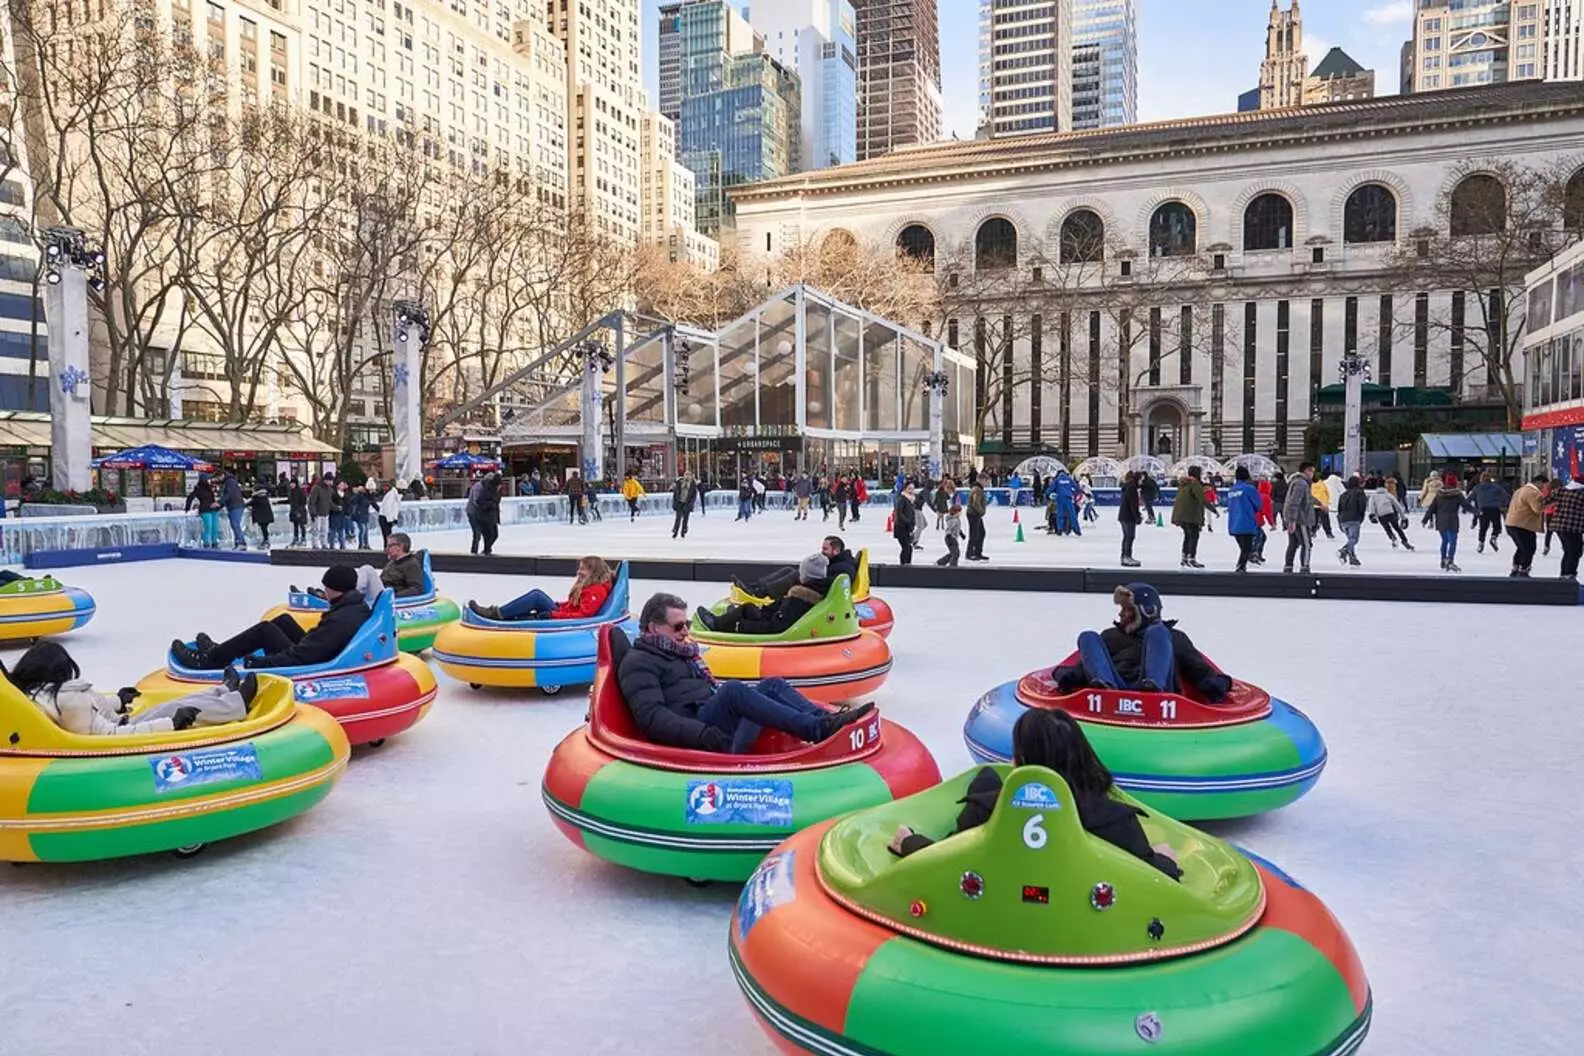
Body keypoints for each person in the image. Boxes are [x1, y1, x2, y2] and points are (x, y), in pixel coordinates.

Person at [887, 708, 1181, 880]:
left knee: (985, 780)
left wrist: (910, 843)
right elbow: (1153, 877)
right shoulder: (1116, 821)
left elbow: (947, 862)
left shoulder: (987, 810)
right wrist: (1163, 860)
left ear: (1021, 757)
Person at [617, 593, 872, 754]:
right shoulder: (639, 662)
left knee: (772, 685)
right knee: (733, 690)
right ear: (653, 627)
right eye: (678, 625)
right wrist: (702, 734)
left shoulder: (679, 653)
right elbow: (652, 718)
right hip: (699, 735)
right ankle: (817, 730)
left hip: (710, 721)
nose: (685, 631)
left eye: (688, 624)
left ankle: (824, 721)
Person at [8, 641, 256, 737]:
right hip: (123, 734)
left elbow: (92, 710)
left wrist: (117, 700)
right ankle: (236, 704)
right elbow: (109, 737)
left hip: (119, 721)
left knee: (170, 705)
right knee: (176, 710)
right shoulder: (68, 699)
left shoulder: (44, 693)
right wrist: (170, 724)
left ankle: (224, 691)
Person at [1052, 583, 1230, 701]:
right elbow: (1085, 665)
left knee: (1157, 632)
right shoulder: (1110, 636)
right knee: (1088, 636)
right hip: (1114, 692)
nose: (1121, 614)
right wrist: (1066, 676)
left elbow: (1200, 670)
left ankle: (1153, 685)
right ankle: (1103, 686)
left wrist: (1217, 684)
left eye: (1127, 610)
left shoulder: (1172, 638)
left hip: (1157, 698)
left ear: (1146, 611)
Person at [172, 565, 370, 671]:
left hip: (312, 664)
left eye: (326, 587)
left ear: (336, 589)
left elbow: (301, 657)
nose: (324, 591)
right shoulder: (353, 606)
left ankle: (209, 660)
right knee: (284, 620)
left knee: (265, 630)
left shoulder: (340, 619)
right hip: (321, 652)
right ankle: (221, 651)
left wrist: (256, 663)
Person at [698, 555, 827, 635]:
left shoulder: (798, 599)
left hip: (769, 627)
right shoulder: (804, 593)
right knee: (748, 608)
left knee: (746, 610)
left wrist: (742, 626)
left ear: (806, 576)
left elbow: (776, 627)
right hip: (770, 617)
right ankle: (722, 621)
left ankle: (718, 625)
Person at [469, 555, 614, 622]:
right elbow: (574, 607)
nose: (579, 572)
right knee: (535, 603)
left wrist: (553, 615)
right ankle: (502, 617)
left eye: (583, 570)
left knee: (536, 596)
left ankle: (495, 613)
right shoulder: (590, 586)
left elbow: (583, 616)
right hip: (562, 614)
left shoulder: (597, 591)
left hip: (565, 621)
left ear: (594, 572)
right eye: (579, 568)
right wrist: (559, 605)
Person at [1505, 473, 1548, 577]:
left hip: (1512, 523)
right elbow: (1537, 509)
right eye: (1545, 485)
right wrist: (1550, 503)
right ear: (1539, 482)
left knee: (1521, 547)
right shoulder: (1532, 493)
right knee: (1529, 548)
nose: (1545, 488)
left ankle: (1515, 568)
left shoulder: (1521, 490)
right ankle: (1523, 570)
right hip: (1523, 524)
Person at [1432, 472, 1476, 572]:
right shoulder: (1457, 494)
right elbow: (1466, 505)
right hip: (1452, 520)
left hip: (1441, 520)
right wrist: (1477, 512)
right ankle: (1450, 560)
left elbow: (1433, 507)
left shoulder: (1439, 494)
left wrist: (1425, 519)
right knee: (1452, 541)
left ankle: (1443, 560)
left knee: (1444, 541)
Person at [1282, 461, 1318, 574]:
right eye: (1311, 471)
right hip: (1300, 519)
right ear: (1306, 470)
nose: (1313, 474)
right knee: (1306, 544)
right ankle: (1305, 567)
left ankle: (1288, 566)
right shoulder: (1301, 483)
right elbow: (1294, 502)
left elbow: (1306, 498)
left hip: (1294, 517)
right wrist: (1292, 520)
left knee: (1293, 543)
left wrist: (1319, 503)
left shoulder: (1298, 482)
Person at [1226, 466, 1262, 573]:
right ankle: (1240, 567)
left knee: (1244, 548)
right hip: (1247, 522)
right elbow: (1258, 505)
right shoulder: (1249, 489)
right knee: (1247, 548)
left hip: (1234, 523)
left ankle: (1241, 566)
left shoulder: (1232, 490)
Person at [1171, 466, 1207, 569]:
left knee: (1187, 536)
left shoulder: (1183, 484)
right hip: (1191, 515)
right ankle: (1192, 558)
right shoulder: (1195, 484)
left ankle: (1184, 557)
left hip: (1181, 515)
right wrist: (1213, 509)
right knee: (1194, 536)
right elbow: (1201, 500)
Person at [1552, 474, 1584, 580]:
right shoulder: (1581, 494)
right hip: (1573, 526)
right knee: (1575, 551)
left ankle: (1564, 573)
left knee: (1568, 551)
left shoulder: (1561, 490)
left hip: (1558, 525)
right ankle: (1569, 574)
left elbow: (1546, 501)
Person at [1471, 471, 1511, 554]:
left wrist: (1470, 508)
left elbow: (1470, 498)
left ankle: (1481, 543)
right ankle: (1494, 537)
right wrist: (1505, 504)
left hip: (1483, 509)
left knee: (1483, 528)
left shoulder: (1477, 487)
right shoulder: (1497, 487)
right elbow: (1506, 496)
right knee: (1497, 526)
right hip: (1495, 509)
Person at [1367, 480, 1413, 550]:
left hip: (1381, 515)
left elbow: (1371, 506)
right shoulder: (1388, 495)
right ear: (1384, 486)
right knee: (1397, 528)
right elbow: (1397, 505)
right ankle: (1405, 541)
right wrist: (1403, 517)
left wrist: (1372, 515)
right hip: (1390, 513)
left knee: (1387, 529)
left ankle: (1392, 538)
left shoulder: (1373, 496)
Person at [1335, 475, 1368, 567]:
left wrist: (1340, 520)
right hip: (1354, 518)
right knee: (1354, 539)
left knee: (1350, 540)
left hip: (1343, 520)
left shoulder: (1343, 495)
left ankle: (1353, 559)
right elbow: (1362, 506)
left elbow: (1339, 509)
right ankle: (1343, 551)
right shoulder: (1360, 493)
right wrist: (1361, 517)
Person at [468, 471, 501, 555]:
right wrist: (488, 507)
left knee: (490, 534)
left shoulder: (491, 489)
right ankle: (474, 553)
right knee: (477, 534)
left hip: (483, 514)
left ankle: (486, 549)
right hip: (473, 513)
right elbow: (476, 502)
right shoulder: (478, 487)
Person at [186, 473, 222, 549]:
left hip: (213, 509)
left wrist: (218, 504)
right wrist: (187, 508)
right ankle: (206, 543)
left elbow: (213, 498)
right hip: (205, 509)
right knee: (208, 527)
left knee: (215, 527)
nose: (209, 480)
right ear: (204, 480)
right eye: (208, 479)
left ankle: (214, 543)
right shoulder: (198, 489)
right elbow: (190, 497)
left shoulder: (210, 487)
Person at [1118, 470, 1142, 568]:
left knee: (1127, 537)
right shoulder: (1132, 488)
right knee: (1130, 537)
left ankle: (1125, 555)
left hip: (1124, 515)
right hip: (1128, 516)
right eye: (1141, 479)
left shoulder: (1129, 486)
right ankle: (1127, 556)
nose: (1142, 482)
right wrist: (1137, 517)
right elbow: (1133, 504)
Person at [307, 472, 335, 549]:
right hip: (317, 514)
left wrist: (336, 508)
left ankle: (324, 543)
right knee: (316, 530)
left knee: (325, 530)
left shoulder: (329, 490)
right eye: (329, 480)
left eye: (331, 480)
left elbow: (329, 502)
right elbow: (311, 502)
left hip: (325, 513)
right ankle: (315, 544)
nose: (330, 482)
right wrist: (312, 512)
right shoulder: (317, 488)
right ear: (324, 480)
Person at [221, 470, 247, 550]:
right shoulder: (229, 482)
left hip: (236, 505)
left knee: (235, 524)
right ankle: (238, 542)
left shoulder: (230, 482)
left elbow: (229, 494)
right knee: (234, 525)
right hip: (234, 505)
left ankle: (241, 542)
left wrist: (219, 503)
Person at [893, 483, 918, 565]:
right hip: (901, 527)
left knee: (909, 548)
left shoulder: (911, 500)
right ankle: (903, 565)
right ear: (905, 489)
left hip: (908, 528)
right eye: (909, 488)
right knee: (906, 547)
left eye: (912, 488)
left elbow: (911, 514)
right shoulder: (902, 499)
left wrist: (912, 524)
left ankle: (907, 564)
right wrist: (908, 522)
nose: (911, 490)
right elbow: (899, 513)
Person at [1051, 470, 1080, 536]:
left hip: (1060, 498)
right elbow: (1077, 488)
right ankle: (1076, 529)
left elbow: (1051, 488)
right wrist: (1074, 493)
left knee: (1060, 514)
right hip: (1068, 498)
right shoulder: (1069, 479)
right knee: (1072, 514)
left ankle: (1059, 529)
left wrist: (1047, 494)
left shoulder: (1057, 480)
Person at [966, 475, 988, 561]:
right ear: (981, 480)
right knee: (974, 534)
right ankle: (970, 553)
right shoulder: (977, 490)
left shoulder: (978, 489)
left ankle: (977, 552)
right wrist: (981, 511)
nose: (987, 483)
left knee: (981, 533)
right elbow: (976, 503)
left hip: (975, 514)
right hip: (974, 514)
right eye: (986, 481)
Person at [937, 502, 966, 566]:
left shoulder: (956, 519)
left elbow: (957, 528)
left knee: (954, 553)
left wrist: (961, 534)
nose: (961, 513)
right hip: (950, 539)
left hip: (953, 538)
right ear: (956, 512)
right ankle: (953, 566)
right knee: (955, 553)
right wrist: (949, 536)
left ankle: (941, 562)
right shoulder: (953, 520)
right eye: (960, 512)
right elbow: (948, 529)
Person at [671, 471, 697, 539]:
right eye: (686, 475)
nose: (687, 476)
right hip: (679, 503)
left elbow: (694, 496)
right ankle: (675, 531)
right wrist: (675, 502)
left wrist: (691, 504)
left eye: (689, 475)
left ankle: (683, 530)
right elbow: (675, 493)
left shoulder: (693, 484)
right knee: (678, 518)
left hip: (687, 503)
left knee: (685, 518)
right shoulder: (679, 482)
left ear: (691, 476)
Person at [248, 484, 275, 550]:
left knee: (264, 529)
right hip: (266, 516)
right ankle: (266, 540)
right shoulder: (264, 496)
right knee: (264, 529)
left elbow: (248, 504)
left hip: (263, 517)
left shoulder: (257, 498)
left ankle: (266, 541)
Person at [350, 481, 374, 550]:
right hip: (359, 515)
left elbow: (373, 503)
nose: (372, 491)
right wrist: (358, 493)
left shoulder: (369, 496)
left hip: (365, 515)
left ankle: (366, 544)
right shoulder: (360, 495)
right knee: (362, 529)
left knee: (366, 529)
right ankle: (361, 545)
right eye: (371, 489)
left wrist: (381, 511)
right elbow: (352, 501)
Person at [1310, 473, 1334, 540]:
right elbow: (1327, 493)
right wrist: (1327, 502)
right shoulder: (1322, 484)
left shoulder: (1310, 484)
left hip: (1313, 505)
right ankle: (1328, 533)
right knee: (1325, 520)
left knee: (1314, 519)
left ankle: (1312, 531)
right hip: (1323, 504)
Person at [328, 480, 348, 550]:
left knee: (341, 530)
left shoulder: (345, 494)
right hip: (334, 514)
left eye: (343, 485)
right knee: (333, 530)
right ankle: (332, 544)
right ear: (337, 486)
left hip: (341, 515)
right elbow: (331, 503)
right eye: (341, 484)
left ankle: (342, 544)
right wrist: (336, 508)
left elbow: (347, 504)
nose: (342, 486)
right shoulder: (333, 494)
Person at [288, 478, 308, 547]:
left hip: (300, 511)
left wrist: (299, 511)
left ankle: (303, 539)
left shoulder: (300, 492)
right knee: (295, 525)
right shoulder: (291, 491)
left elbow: (303, 502)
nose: (291, 485)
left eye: (293, 483)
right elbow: (291, 501)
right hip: (293, 511)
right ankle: (295, 538)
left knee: (302, 525)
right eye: (291, 483)